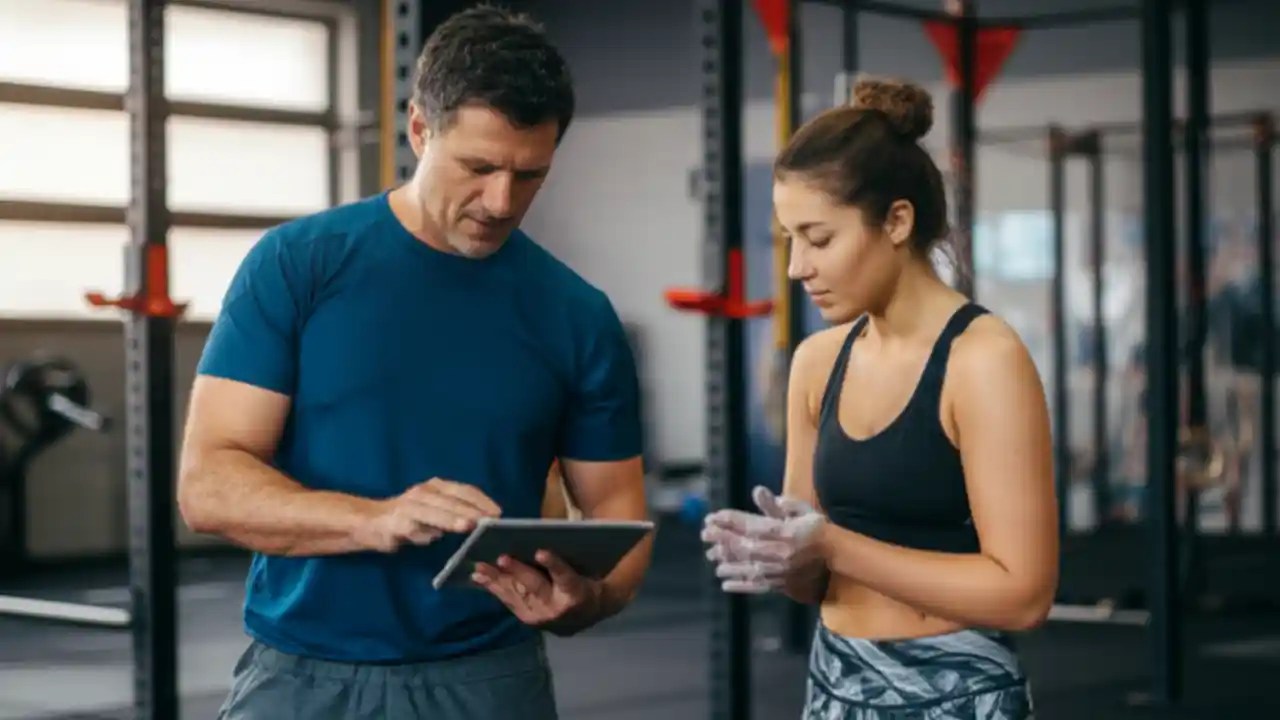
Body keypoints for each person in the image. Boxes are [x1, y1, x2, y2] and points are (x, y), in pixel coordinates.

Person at [177, 6, 653, 719]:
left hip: (488, 677)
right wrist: (373, 520)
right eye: (479, 168)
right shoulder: (298, 265)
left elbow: (617, 512)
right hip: (301, 676)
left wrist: (591, 598)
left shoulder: (578, 314)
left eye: (529, 175)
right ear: (420, 129)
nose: (501, 201)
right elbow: (208, 486)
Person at [701, 77, 1059, 719]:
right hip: (835, 682)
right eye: (789, 239)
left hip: (959, 696)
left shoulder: (983, 361)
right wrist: (780, 556)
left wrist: (833, 546)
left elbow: (1024, 596)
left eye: (819, 239)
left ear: (897, 221)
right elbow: (814, 580)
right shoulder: (816, 362)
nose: (797, 267)